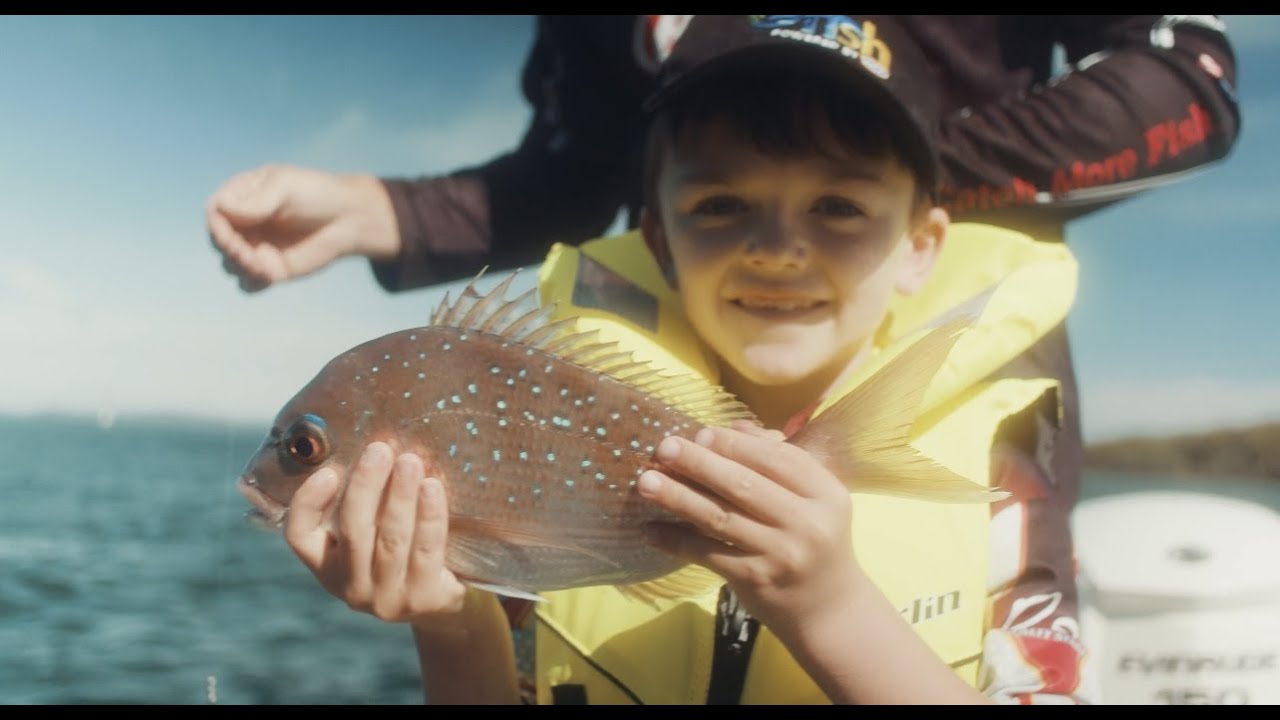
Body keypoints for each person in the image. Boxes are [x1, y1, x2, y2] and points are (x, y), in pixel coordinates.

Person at [277, 15, 1097, 703]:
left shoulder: (1008, 457)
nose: (778, 249)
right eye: (722, 204)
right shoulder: (539, 433)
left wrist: (829, 606)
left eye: (838, 206)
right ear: (659, 241)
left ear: (921, 247)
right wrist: (449, 620)